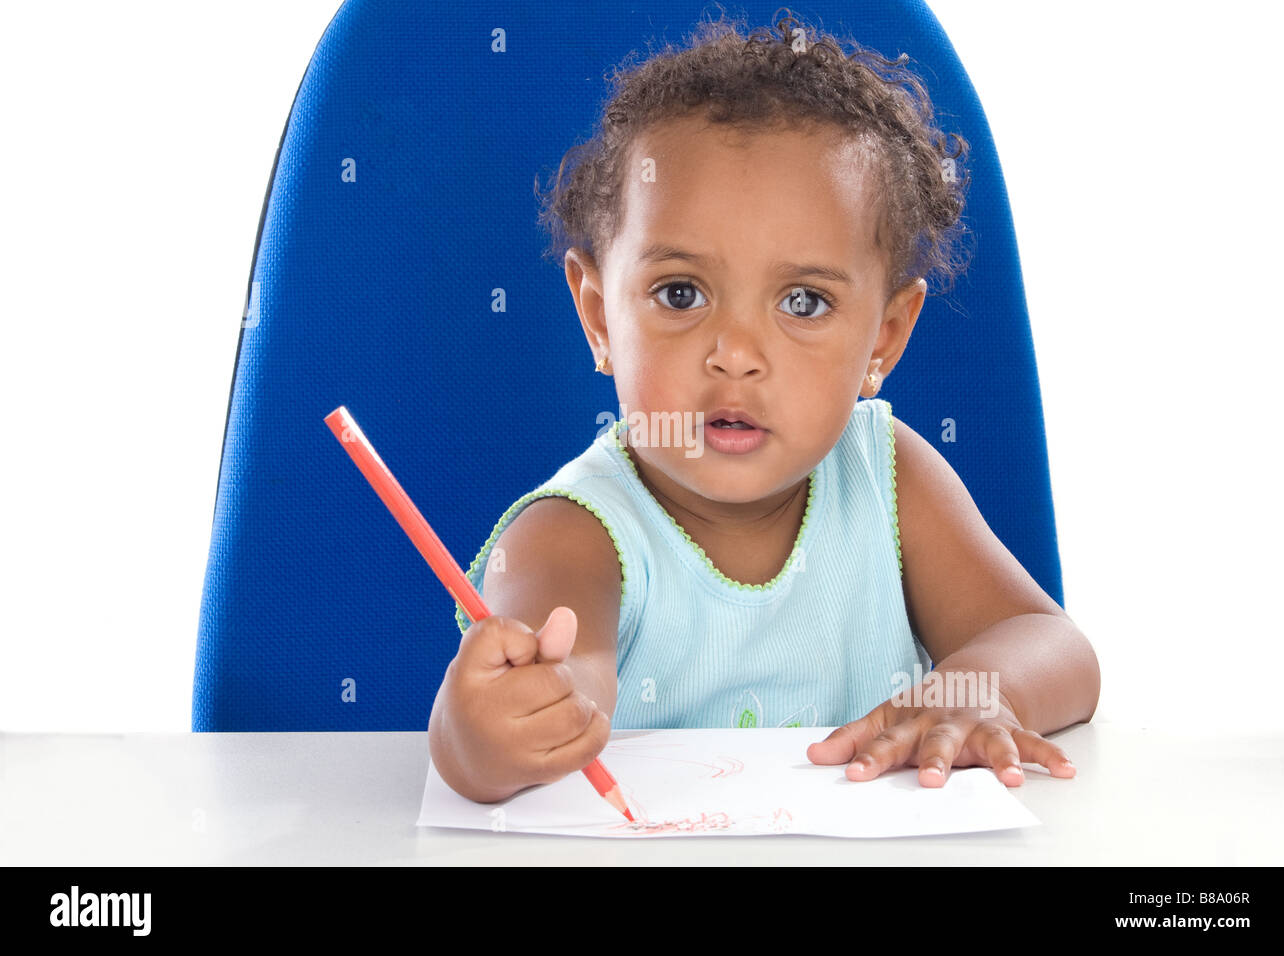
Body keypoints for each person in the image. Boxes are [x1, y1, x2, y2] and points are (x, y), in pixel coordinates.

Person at [428, 11, 1100, 804]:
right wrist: (489, 731)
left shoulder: (889, 477)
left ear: (883, 339)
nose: (737, 353)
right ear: (600, 315)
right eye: (681, 294)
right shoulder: (573, 532)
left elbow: (1055, 646)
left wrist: (978, 690)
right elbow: (555, 680)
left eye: (805, 303)